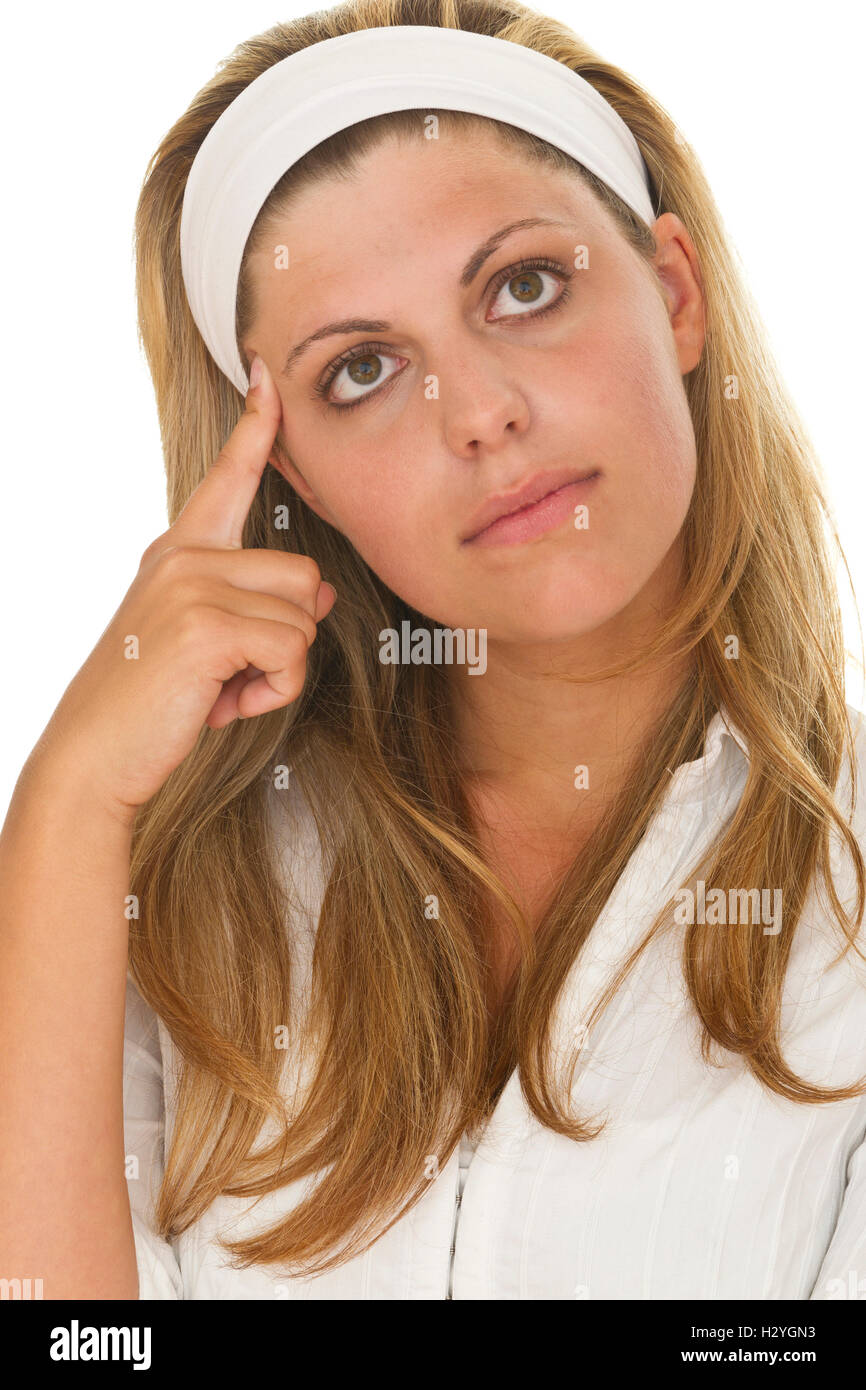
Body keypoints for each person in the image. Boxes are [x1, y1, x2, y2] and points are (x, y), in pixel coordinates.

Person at [2, 0, 865, 1301]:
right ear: (294, 469)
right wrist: (64, 803)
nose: (480, 414)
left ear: (673, 295)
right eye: (360, 368)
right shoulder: (169, 906)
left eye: (523, 286)